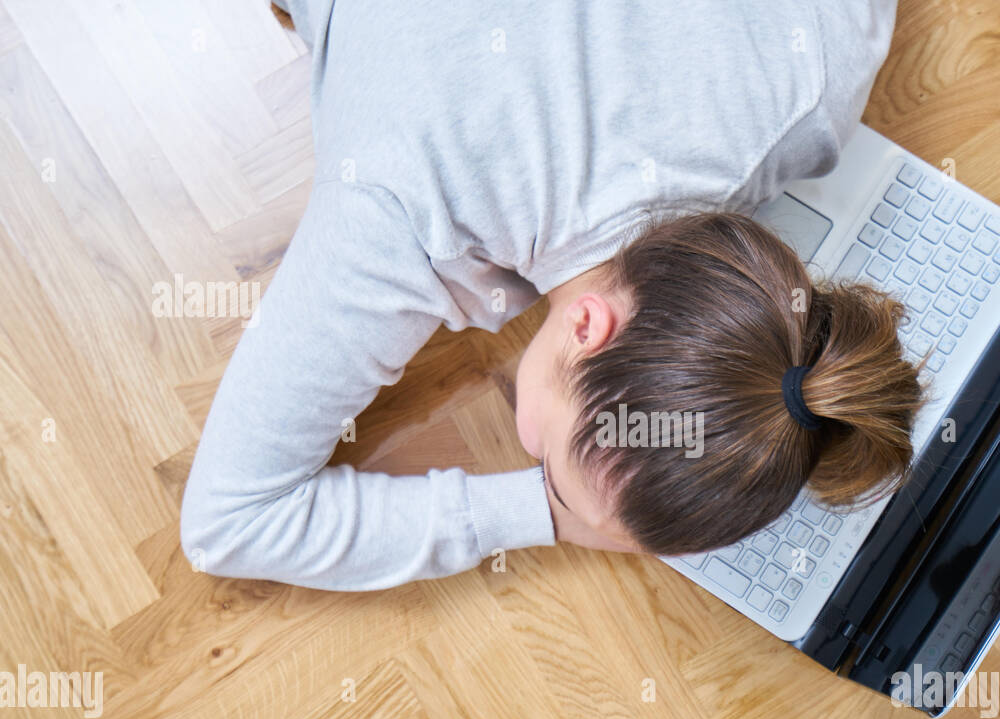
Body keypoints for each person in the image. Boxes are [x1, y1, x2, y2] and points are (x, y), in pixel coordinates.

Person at [180, 0, 922, 590]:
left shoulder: (819, 73)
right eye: (549, 467)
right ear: (587, 327)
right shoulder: (408, 207)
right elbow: (231, 519)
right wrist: (542, 514)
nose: (530, 455)